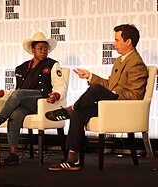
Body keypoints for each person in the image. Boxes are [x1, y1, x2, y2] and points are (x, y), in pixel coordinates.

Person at [45, 24, 148, 171]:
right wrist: (90, 76)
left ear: (128, 42)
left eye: (117, 40)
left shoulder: (136, 63)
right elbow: (109, 84)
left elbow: (136, 96)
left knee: (95, 90)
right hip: (111, 105)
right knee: (79, 114)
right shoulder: (120, 60)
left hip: (124, 108)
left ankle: (69, 110)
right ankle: (72, 159)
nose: (114, 44)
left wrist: (113, 95)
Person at [0, 32, 67, 166]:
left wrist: (55, 95)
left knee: (19, 95)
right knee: (15, 114)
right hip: (26, 102)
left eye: (46, 48)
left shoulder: (52, 65)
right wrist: (2, 92)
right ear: (33, 50)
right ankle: (13, 154)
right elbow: (17, 90)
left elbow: (61, 86)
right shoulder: (21, 68)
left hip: (43, 101)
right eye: (40, 48)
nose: (44, 51)